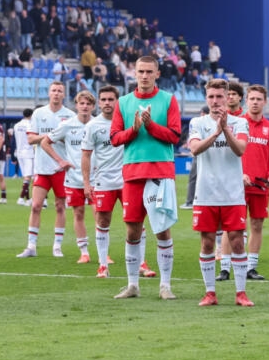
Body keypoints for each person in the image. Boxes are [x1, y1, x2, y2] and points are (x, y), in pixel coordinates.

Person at [110, 55, 181, 300]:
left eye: (149, 71)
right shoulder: (124, 102)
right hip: (132, 173)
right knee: (132, 230)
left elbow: (174, 136)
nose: (144, 76)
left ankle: (165, 286)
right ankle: (132, 285)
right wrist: (135, 129)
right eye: (140, 71)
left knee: (162, 230)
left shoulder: (169, 100)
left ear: (157, 73)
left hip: (160, 173)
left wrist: (150, 126)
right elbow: (115, 138)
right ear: (134, 73)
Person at [188, 79, 252, 306]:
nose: (215, 102)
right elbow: (194, 149)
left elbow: (240, 150)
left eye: (219, 97)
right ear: (206, 99)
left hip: (232, 193)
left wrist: (225, 129)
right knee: (206, 243)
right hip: (205, 193)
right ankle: (210, 293)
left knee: (237, 243)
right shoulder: (197, 122)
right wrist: (216, 133)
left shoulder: (240, 123)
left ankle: (241, 293)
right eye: (211, 97)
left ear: (228, 97)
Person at [17, 82, 75, 258]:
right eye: (54, 90)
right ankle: (31, 246)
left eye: (60, 91)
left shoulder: (70, 116)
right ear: (49, 93)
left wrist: (59, 137)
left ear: (63, 95)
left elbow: (73, 141)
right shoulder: (39, 113)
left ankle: (57, 246)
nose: (56, 93)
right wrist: (52, 135)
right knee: (35, 206)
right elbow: (31, 139)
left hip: (61, 168)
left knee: (60, 207)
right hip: (42, 167)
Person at [82, 85, 131, 278]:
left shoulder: (127, 122)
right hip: (103, 181)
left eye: (111, 99)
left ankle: (141, 263)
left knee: (135, 221)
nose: (107, 103)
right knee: (102, 221)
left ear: (117, 101)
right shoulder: (93, 126)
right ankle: (103, 265)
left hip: (128, 180)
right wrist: (87, 183)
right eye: (103, 100)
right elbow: (86, 156)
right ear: (99, 102)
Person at [41, 91, 95, 263]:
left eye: (88, 103)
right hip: (74, 178)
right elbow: (45, 142)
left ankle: (103, 252)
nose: (85, 106)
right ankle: (84, 252)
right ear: (77, 105)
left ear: (93, 106)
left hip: (96, 178)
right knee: (78, 214)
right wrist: (60, 160)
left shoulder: (98, 124)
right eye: (82, 103)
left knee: (100, 214)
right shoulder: (67, 125)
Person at [241, 85, 269, 280]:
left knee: (256, 225)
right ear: (246, 101)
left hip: (260, 186)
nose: (255, 102)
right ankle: (225, 268)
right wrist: (239, 174)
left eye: (259, 99)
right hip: (237, 185)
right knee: (233, 226)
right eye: (252, 99)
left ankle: (250, 268)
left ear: (265, 102)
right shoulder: (237, 123)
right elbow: (230, 154)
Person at [12, 108, 34, 205]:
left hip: (19, 152)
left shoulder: (16, 125)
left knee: (25, 176)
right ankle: (21, 198)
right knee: (28, 177)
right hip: (28, 152)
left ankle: (28, 199)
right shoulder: (30, 125)